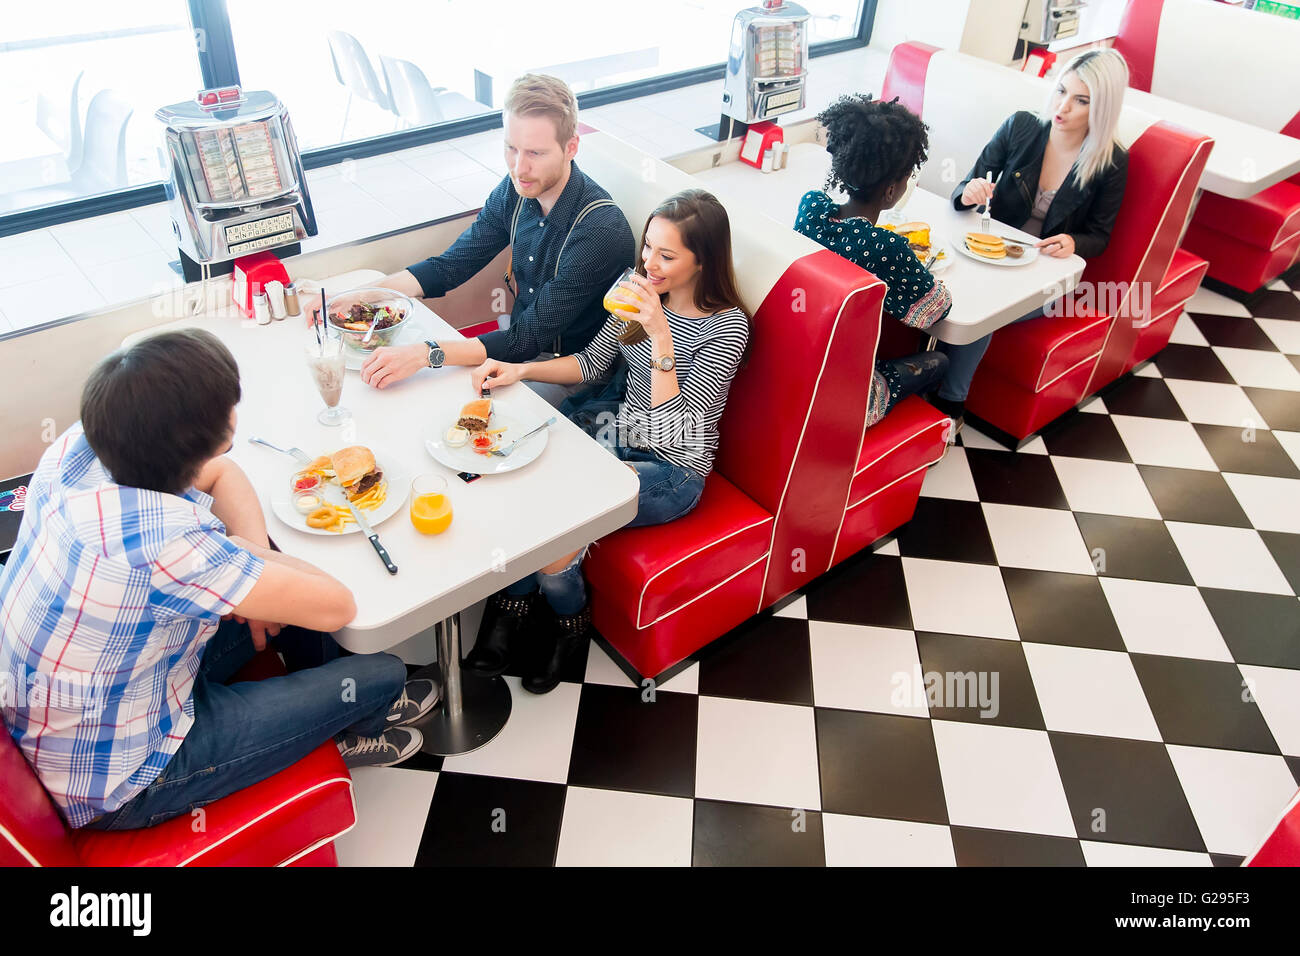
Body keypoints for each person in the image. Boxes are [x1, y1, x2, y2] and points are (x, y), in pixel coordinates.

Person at [0, 330, 437, 832]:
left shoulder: (79, 449)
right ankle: (350, 728)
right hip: (121, 778)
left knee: (280, 583)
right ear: (212, 432)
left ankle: (309, 694)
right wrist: (247, 558)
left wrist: (249, 575)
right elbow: (338, 604)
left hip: (89, 702)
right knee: (382, 672)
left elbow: (222, 474)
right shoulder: (169, 544)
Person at [462, 189, 750, 694]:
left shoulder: (727, 327)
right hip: (615, 438)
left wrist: (660, 334)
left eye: (666, 255)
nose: (648, 263)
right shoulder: (638, 297)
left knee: (561, 527)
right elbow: (592, 364)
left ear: (702, 260)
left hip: (673, 469)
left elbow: (671, 425)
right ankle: (511, 605)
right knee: (521, 476)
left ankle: (567, 625)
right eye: (647, 248)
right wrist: (520, 370)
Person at [343, 73, 636, 407]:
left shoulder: (599, 232)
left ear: (571, 147)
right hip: (517, 345)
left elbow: (527, 339)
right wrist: (358, 300)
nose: (519, 167)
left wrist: (427, 355)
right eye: (511, 148)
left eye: (536, 154)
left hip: (567, 371)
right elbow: (453, 265)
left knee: (453, 411)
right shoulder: (518, 187)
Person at [934, 48, 1130, 426]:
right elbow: (963, 190)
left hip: (1047, 277)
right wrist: (968, 193)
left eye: (1081, 100)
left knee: (983, 309)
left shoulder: (1111, 162)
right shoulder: (1021, 126)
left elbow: (1099, 236)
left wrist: (1074, 242)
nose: (1063, 106)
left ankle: (949, 406)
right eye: (1061, 91)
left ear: (1101, 109)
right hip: (991, 256)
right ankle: (923, 377)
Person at [794, 94, 952, 429]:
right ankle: (932, 427)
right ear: (892, 192)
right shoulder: (885, 247)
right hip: (841, 397)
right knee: (939, 359)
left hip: (798, 366)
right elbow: (937, 309)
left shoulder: (811, 208)